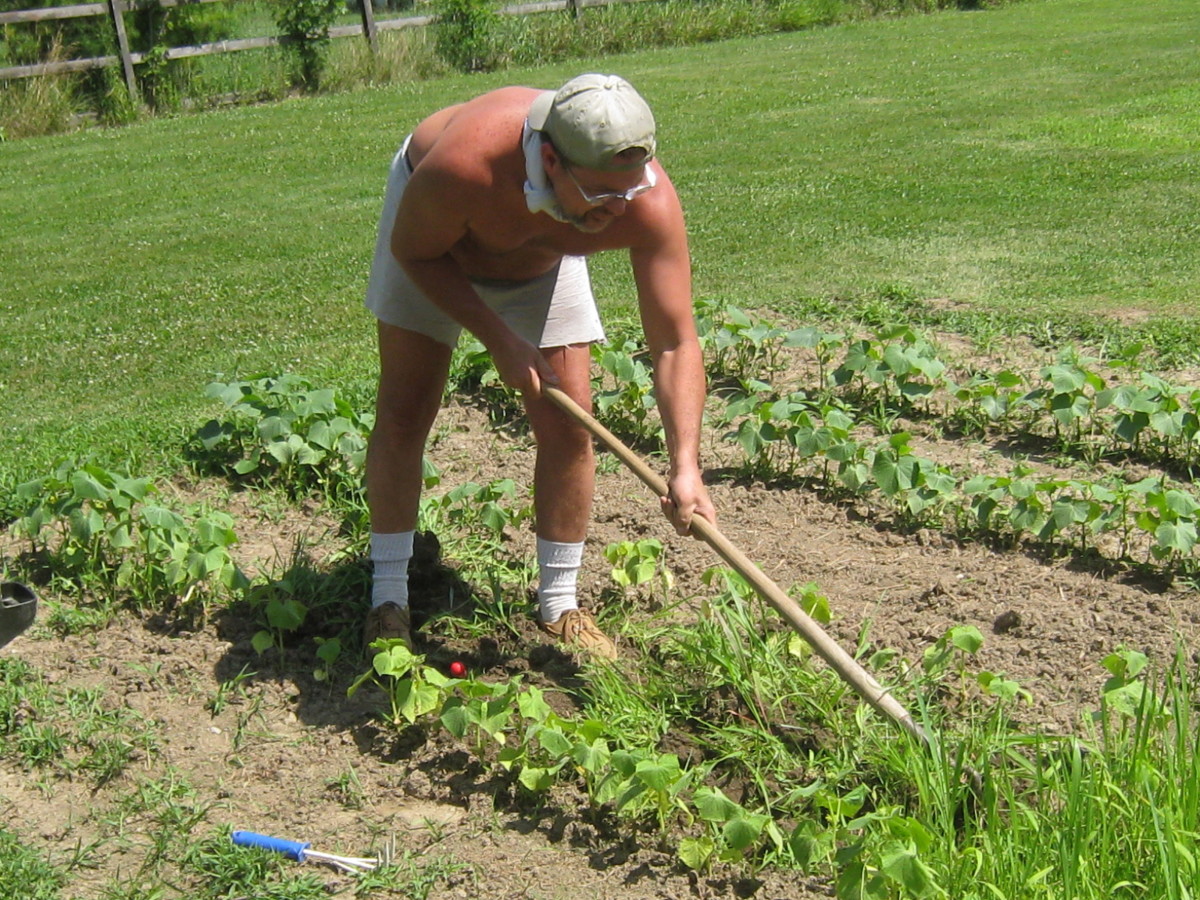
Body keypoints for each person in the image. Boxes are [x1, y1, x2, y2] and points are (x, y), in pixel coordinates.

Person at [362, 73, 715, 659]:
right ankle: (388, 597)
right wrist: (498, 337)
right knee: (406, 408)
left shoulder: (637, 200)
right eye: (604, 194)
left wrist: (685, 464)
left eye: (629, 191)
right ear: (551, 159)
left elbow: (676, 342)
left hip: (543, 254)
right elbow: (415, 252)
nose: (619, 208)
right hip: (436, 247)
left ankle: (559, 604)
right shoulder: (464, 166)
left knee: (570, 424)